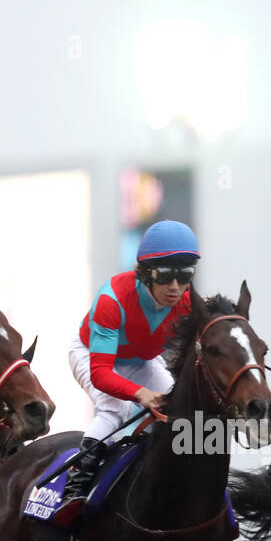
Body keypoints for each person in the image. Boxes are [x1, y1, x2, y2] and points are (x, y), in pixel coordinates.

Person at [54, 219, 199, 525]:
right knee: (115, 410)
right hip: (93, 355)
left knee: (179, 409)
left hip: (140, 360)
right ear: (146, 273)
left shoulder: (187, 302)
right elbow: (102, 374)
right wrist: (141, 394)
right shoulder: (112, 300)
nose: (175, 287)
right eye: (165, 275)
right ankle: (74, 489)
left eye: (184, 275)